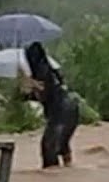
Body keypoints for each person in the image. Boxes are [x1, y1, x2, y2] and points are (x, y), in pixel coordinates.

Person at [20, 41, 80, 169]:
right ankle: (69, 171)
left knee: (48, 149)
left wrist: (31, 87)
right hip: (71, 108)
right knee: (62, 144)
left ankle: (55, 181)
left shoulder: (41, 72)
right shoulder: (52, 69)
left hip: (61, 111)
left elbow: (44, 93)